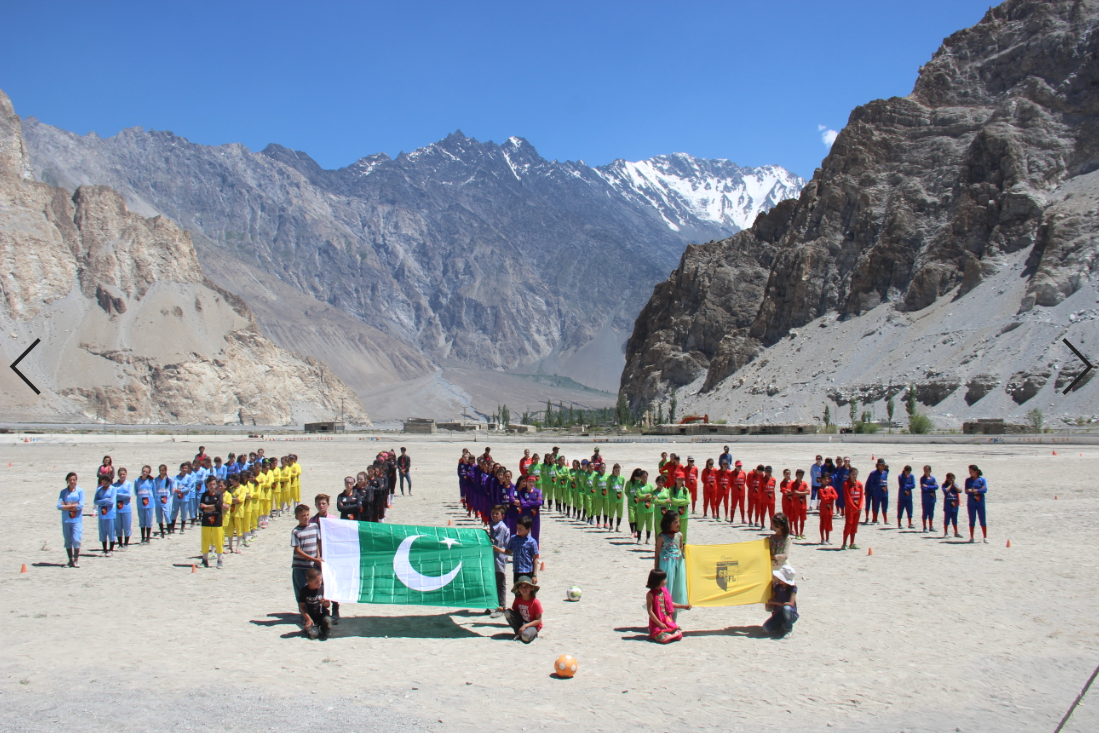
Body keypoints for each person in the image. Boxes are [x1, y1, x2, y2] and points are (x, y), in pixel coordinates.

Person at [654, 512, 687, 613]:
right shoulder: (661, 537)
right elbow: (657, 554)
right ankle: (664, 617)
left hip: (678, 565)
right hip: (666, 566)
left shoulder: (679, 535)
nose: (678, 524)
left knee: (677, 591)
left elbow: (681, 549)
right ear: (668, 523)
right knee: (666, 591)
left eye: (679, 522)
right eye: (676, 522)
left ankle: (673, 620)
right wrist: (656, 570)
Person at [646, 569, 690, 644]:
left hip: (667, 621)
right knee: (666, 640)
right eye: (663, 580)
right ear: (657, 581)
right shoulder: (650, 594)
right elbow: (650, 611)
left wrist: (684, 606)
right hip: (657, 623)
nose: (665, 581)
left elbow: (669, 603)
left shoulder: (664, 590)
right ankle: (655, 634)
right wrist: (659, 624)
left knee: (679, 636)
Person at [499, 515, 539, 585]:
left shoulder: (532, 542)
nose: (518, 530)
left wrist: (534, 575)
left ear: (528, 529)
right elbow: (508, 552)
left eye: (521, 529)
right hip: (516, 571)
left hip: (528, 571)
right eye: (518, 528)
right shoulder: (514, 539)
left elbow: (535, 559)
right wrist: (497, 549)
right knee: (517, 592)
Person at [199, 477, 228, 568]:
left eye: (214, 484)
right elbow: (202, 508)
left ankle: (219, 560)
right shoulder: (204, 495)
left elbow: (219, 506)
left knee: (218, 540)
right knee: (205, 540)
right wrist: (211, 507)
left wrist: (208, 506)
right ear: (207, 485)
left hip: (217, 520)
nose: (212, 486)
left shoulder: (219, 494)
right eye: (210, 484)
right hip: (206, 520)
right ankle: (204, 560)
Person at [487, 505, 510, 618]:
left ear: (502, 516)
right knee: (492, 582)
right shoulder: (492, 525)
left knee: (500, 583)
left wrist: (488, 540)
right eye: (493, 513)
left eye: (497, 514)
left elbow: (497, 544)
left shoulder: (502, 527)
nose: (494, 516)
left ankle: (501, 607)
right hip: (492, 558)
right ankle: (492, 604)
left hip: (499, 559)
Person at [58, 472, 85, 568]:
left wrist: (67, 506)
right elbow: (59, 506)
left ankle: (76, 559)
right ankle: (70, 560)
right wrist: (73, 506)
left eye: (73, 480)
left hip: (76, 519)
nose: (72, 482)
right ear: (67, 481)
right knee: (67, 540)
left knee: (76, 539)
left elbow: (81, 505)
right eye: (70, 480)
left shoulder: (80, 491)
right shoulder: (63, 492)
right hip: (66, 519)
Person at [763, 564, 798, 636]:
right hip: (779, 613)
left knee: (787, 608)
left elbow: (791, 603)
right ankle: (781, 625)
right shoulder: (777, 587)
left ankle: (788, 628)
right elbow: (772, 599)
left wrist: (776, 602)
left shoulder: (792, 589)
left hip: (790, 614)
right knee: (766, 628)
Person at [505, 575, 542, 643]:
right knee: (507, 613)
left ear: (531, 588)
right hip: (522, 622)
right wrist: (503, 610)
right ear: (518, 589)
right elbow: (515, 613)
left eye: (526, 587)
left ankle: (530, 634)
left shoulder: (535, 602)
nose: (524, 589)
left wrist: (525, 626)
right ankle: (518, 632)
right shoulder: (517, 600)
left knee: (525, 637)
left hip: (533, 625)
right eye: (521, 587)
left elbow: (538, 620)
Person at [298, 567, 332, 640]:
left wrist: (325, 603)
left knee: (327, 621)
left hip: (322, 615)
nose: (319, 582)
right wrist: (308, 619)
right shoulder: (304, 591)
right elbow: (302, 607)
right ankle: (312, 629)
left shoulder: (323, 589)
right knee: (313, 636)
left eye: (320, 580)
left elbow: (328, 605)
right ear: (309, 582)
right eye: (316, 581)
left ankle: (324, 628)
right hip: (311, 616)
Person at [93, 475, 117, 557]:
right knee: (103, 532)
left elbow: (112, 501)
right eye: (103, 483)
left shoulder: (113, 489)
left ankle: (111, 549)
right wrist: (105, 500)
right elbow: (95, 501)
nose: (104, 484)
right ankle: (104, 549)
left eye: (106, 483)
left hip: (110, 513)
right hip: (102, 513)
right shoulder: (99, 490)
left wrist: (102, 502)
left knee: (111, 531)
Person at [841, 467, 864, 550]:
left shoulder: (859, 484)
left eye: (856, 474)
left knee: (854, 526)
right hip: (850, 509)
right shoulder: (846, 484)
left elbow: (861, 497)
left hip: (857, 510)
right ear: (849, 474)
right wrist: (854, 507)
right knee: (848, 525)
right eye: (853, 474)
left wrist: (860, 507)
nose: (855, 476)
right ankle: (844, 543)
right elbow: (847, 498)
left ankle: (852, 543)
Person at [965, 464, 988, 543]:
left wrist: (975, 491)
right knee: (972, 519)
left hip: (980, 502)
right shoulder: (968, 480)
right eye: (969, 471)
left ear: (976, 472)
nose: (970, 473)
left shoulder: (982, 480)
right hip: (971, 503)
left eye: (971, 471)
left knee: (982, 519)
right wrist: (977, 490)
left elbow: (984, 490)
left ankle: (985, 537)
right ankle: (972, 537)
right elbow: (966, 491)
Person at [112, 467, 134, 549]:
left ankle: (126, 543)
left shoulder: (129, 484)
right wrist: (120, 495)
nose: (122, 476)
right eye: (120, 474)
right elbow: (112, 496)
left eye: (123, 474)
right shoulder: (115, 485)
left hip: (126, 508)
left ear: (126, 474)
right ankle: (120, 543)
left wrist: (118, 495)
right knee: (118, 526)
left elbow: (128, 495)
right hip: (117, 508)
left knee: (127, 526)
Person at [133, 465, 155, 543]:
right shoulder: (137, 480)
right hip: (140, 503)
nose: (144, 473)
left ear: (148, 473)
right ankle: (143, 537)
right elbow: (136, 491)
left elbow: (154, 491)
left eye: (146, 472)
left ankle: (148, 538)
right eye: (143, 471)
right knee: (142, 520)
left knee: (149, 520)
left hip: (149, 503)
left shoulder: (151, 481)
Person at [152, 464, 174, 538]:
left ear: (165, 471)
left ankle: (169, 530)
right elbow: (154, 490)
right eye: (160, 470)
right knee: (159, 516)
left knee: (167, 515)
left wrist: (169, 497)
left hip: (166, 499)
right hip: (158, 500)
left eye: (163, 470)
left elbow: (171, 490)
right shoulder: (155, 480)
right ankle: (161, 531)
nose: (161, 472)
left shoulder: (169, 479)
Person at [865, 459, 889, 525]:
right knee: (876, 506)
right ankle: (874, 519)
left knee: (885, 506)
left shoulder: (885, 473)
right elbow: (871, 483)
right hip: (877, 493)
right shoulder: (873, 473)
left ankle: (886, 520)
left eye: (884, 465)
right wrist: (874, 489)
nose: (883, 466)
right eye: (882, 465)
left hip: (884, 492)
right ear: (878, 465)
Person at [634, 472, 656, 544]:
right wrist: (647, 496)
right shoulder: (638, 486)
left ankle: (648, 538)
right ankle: (639, 538)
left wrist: (645, 497)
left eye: (646, 476)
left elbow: (653, 495)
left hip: (649, 507)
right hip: (641, 508)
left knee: (649, 523)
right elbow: (639, 496)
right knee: (640, 523)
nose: (644, 478)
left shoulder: (650, 485)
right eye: (643, 477)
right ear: (640, 477)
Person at [789, 469, 811, 539]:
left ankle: (801, 533)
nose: (800, 476)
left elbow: (808, 492)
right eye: (799, 475)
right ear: (796, 475)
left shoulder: (804, 483)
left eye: (801, 475)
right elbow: (794, 493)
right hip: (796, 505)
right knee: (796, 519)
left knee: (802, 520)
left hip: (803, 505)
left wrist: (799, 493)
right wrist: (803, 493)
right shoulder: (793, 484)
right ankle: (797, 533)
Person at [817, 474, 837, 545]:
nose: (826, 480)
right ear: (821, 480)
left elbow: (836, 496)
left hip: (830, 509)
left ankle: (828, 538)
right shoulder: (820, 489)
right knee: (823, 524)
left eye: (827, 479)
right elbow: (824, 499)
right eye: (825, 479)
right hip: (823, 509)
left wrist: (830, 496)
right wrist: (831, 497)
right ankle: (822, 539)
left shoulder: (831, 488)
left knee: (829, 524)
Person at [942, 472, 962, 538]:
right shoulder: (944, 485)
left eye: (953, 478)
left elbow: (960, 490)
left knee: (955, 520)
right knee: (946, 520)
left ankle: (956, 532)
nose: (951, 480)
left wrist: (954, 485)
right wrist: (951, 485)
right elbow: (945, 491)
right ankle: (946, 532)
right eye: (950, 478)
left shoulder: (956, 485)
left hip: (955, 505)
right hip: (948, 505)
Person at [920, 465, 938, 533]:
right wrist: (931, 487)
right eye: (925, 471)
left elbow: (936, 486)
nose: (926, 472)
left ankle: (931, 526)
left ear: (930, 471)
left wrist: (928, 486)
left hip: (932, 498)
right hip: (925, 498)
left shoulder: (933, 478)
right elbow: (923, 488)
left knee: (931, 512)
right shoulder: (922, 479)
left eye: (927, 471)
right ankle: (924, 527)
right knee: (925, 512)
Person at [607, 463, 626, 532]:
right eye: (616, 470)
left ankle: (618, 526)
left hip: (620, 498)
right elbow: (608, 487)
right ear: (613, 470)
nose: (617, 472)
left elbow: (622, 486)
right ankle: (611, 526)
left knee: (620, 513)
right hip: (612, 498)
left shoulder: (622, 478)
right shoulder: (610, 478)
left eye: (618, 470)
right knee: (611, 512)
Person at [897, 465, 916, 529]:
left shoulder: (912, 476)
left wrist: (906, 486)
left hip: (909, 496)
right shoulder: (900, 476)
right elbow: (901, 486)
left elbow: (913, 485)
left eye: (909, 472)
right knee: (900, 510)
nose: (908, 473)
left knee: (910, 510)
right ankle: (899, 523)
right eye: (907, 472)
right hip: (902, 496)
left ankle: (910, 523)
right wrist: (908, 486)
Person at [728, 460, 746, 524]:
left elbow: (744, 482)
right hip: (735, 493)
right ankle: (732, 519)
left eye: (740, 466)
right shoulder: (732, 473)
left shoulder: (743, 473)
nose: (739, 467)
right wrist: (735, 488)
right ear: (735, 466)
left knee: (742, 506)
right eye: (738, 466)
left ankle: (743, 519)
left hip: (742, 493)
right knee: (733, 506)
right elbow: (730, 483)